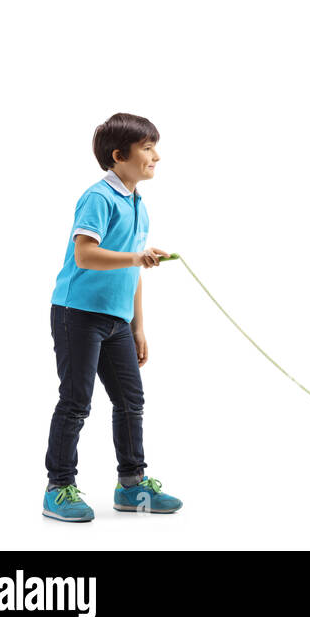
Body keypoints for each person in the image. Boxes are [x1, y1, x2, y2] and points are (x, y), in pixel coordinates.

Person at [43, 112, 183, 521]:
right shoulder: (99, 198)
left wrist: (138, 326)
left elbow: (131, 269)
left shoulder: (138, 202)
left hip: (116, 320)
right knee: (76, 401)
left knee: (130, 401)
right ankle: (59, 487)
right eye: (147, 147)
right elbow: (85, 253)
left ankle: (133, 486)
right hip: (78, 314)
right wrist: (136, 255)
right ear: (119, 156)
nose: (156, 155)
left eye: (155, 146)